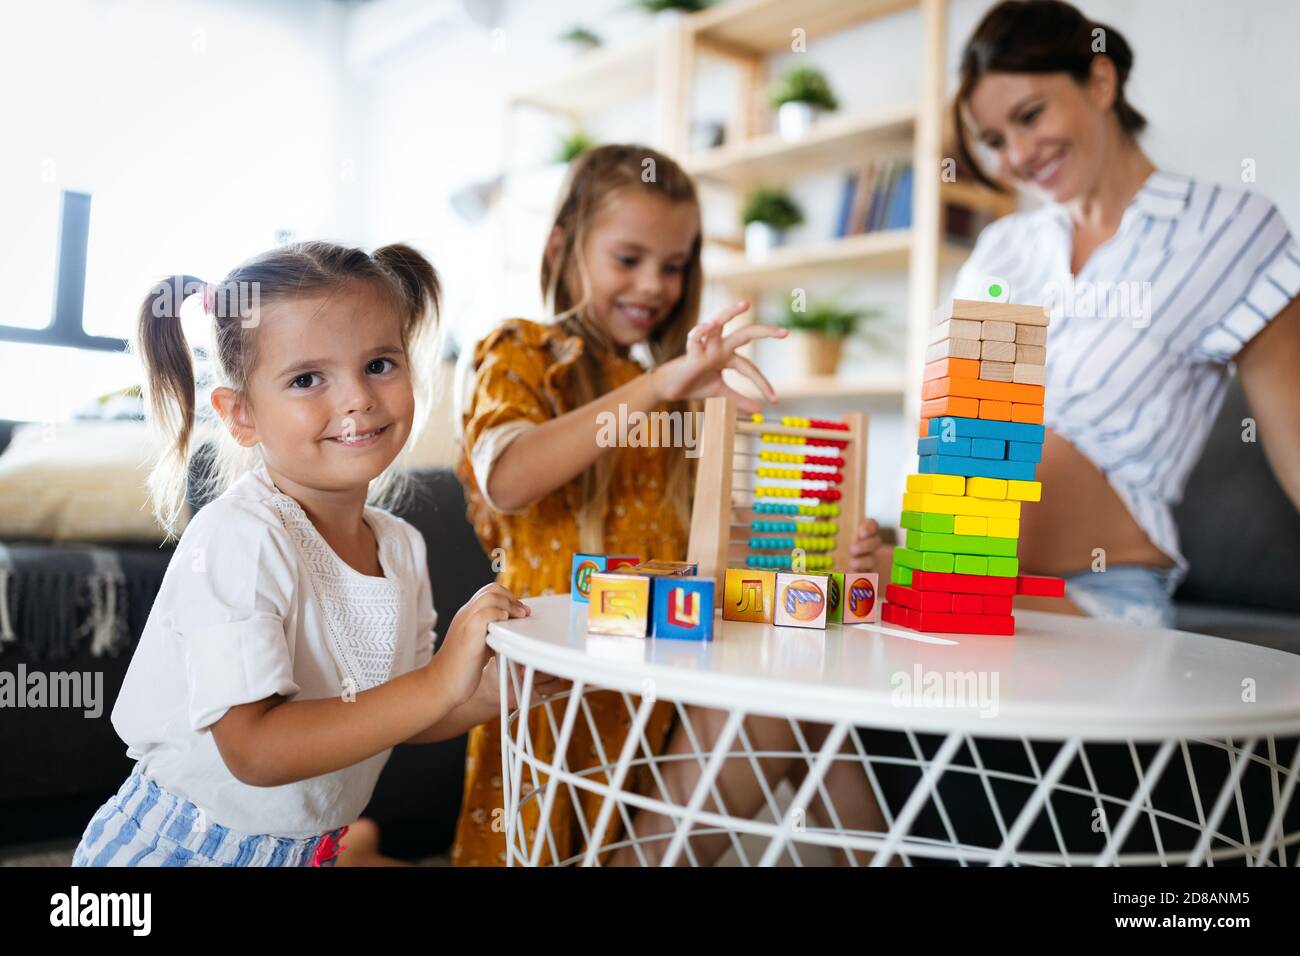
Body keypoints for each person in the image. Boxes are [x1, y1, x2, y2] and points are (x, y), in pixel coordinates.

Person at [72, 241, 542, 866]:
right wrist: (437, 681)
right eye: (306, 379)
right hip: (185, 852)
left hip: (305, 853)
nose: (358, 398)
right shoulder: (240, 537)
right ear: (241, 415)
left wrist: (484, 691)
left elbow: (395, 710)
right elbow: (256, 751)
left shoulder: (402, 546)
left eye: (379, 364)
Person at [450, 144, 786, 865]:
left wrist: (834, 544)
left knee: (806, 718)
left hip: (654, 704)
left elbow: (718, 545)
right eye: (628, 258)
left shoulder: (674, 389)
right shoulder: (522, 353)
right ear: (562, 247)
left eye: (674, 265)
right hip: (552, 708)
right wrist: (658, 386)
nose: (654, 285)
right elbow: (508, 476)